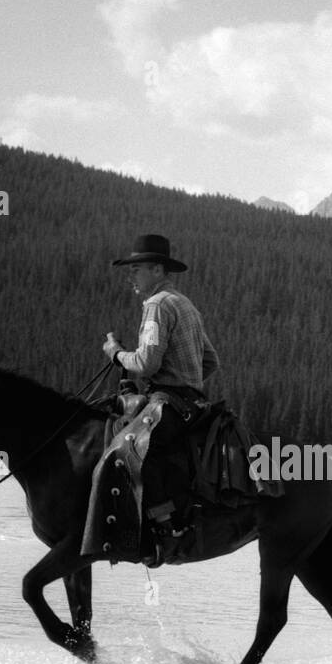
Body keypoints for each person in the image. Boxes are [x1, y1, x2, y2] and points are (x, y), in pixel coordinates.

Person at [102, 234, 219, 561]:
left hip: (168, 402)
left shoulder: (156, 305)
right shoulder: (185, 304)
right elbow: (212, 361)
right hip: (192, 403)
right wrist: (188, 381)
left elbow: (146, 363)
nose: (130, 277)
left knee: (128, 449)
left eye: (136, 269)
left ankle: (165, 525)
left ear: (157, 269)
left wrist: (116, 354)